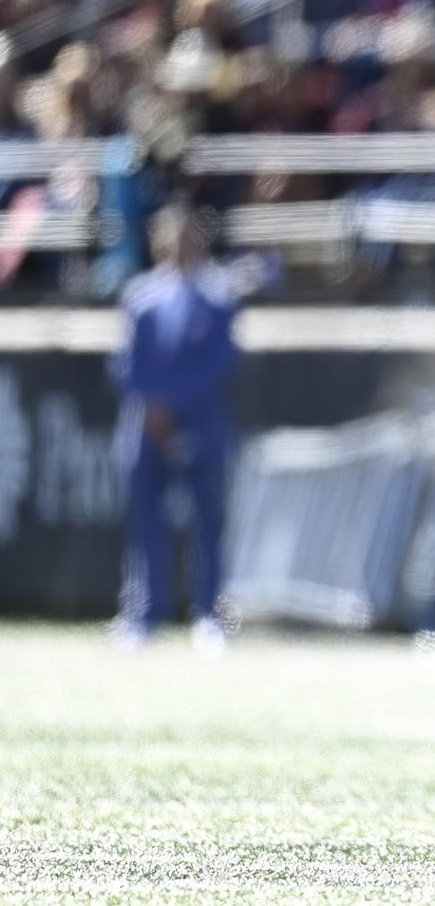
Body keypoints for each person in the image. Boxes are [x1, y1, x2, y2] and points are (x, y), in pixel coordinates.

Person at [110, 199, 240, 653]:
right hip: (146, 428)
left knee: (208, 524)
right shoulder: (139, 296)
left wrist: (177, 405)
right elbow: (127, 364)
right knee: (145, 525)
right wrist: (153, 408)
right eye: (171, 235)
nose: (179, 244)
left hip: (201, 425)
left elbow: (218, 363)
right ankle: (143, 616)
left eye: (187, 235)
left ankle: (209, 616)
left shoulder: (220, 297)